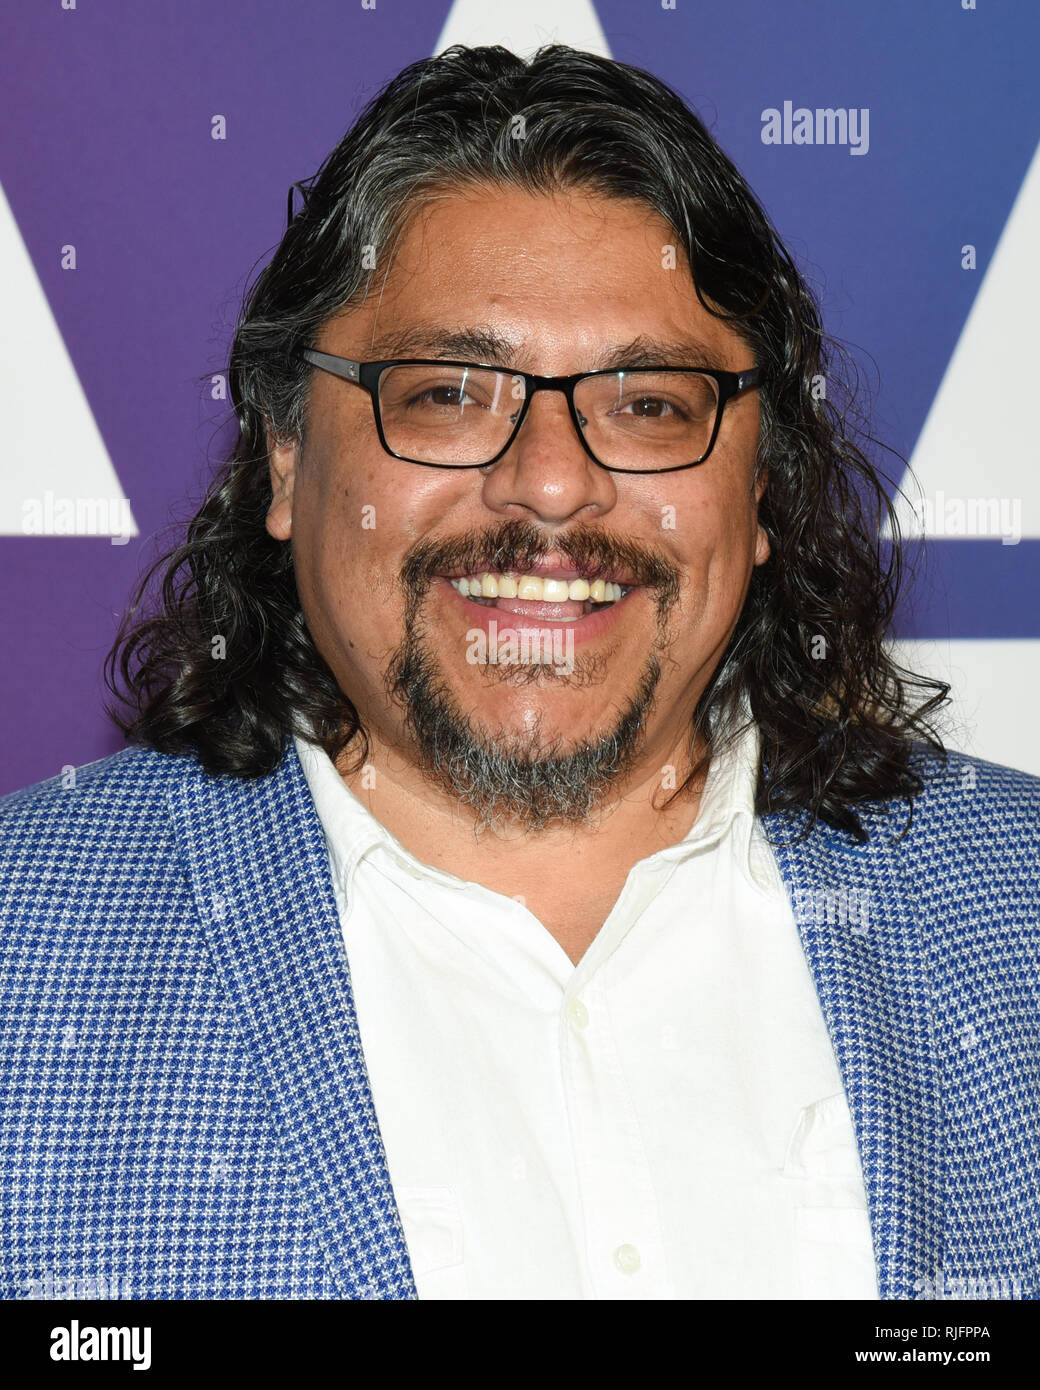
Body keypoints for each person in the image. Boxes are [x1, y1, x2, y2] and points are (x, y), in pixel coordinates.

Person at [1, 43, 1037, 1303]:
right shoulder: (25, 953)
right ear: (283, 456)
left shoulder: (1014, 907)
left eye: (649, 404)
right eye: (445, 393)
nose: (551, 481)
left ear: (759, 483)